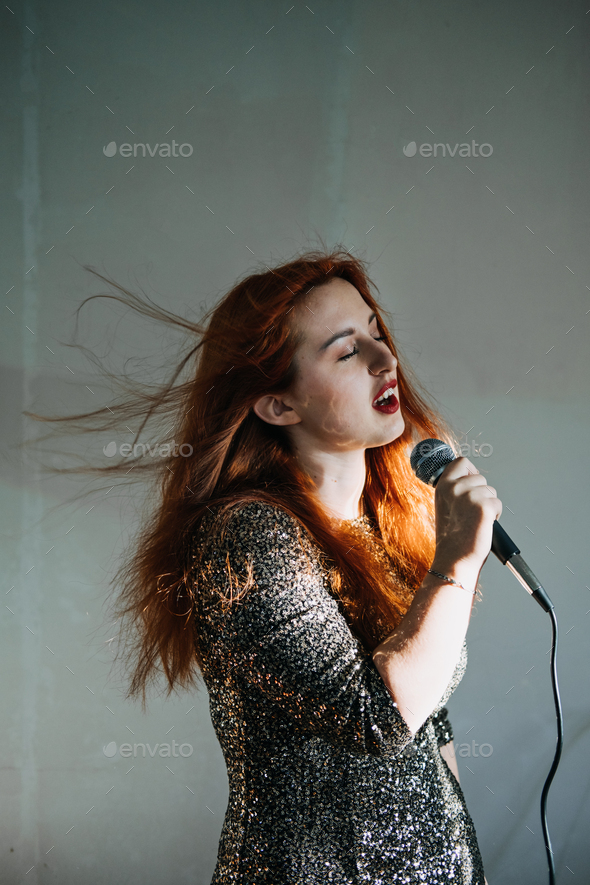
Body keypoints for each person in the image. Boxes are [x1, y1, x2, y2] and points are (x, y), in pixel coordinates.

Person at [27, 247, 497, 883]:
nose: (384, 359)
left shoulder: (383, 525)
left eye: (376, 332)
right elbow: (379, 718)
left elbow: (431, 726)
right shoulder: (246, 537)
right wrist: (458, 563)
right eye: (346, 351)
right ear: (278, 406)